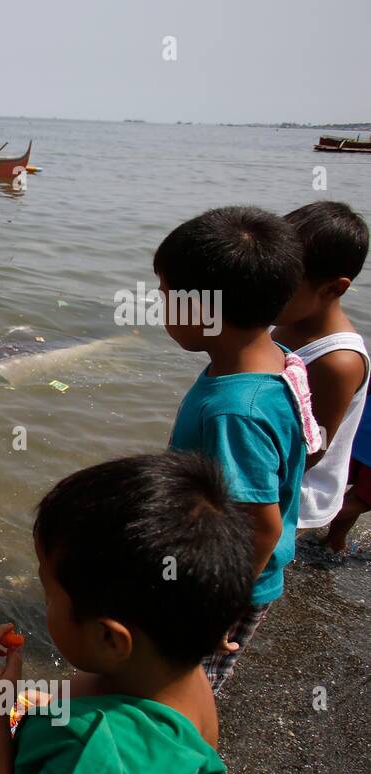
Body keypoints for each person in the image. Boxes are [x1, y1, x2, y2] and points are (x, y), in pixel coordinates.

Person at [0, 452, 253, 774]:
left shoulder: (101, 755)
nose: (45, 606)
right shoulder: (184, 675)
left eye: (49, 596)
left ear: (110, 639)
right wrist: (56, 708)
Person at [157, 206, 318, 694]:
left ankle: (178, 758)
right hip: (221, 563)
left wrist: (216, 610)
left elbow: (259, 524)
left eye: (165, 297)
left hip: (227, 582)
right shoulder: (279, 361)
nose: (160, 309)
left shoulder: (235, 411)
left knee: (185, 685)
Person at [270, 202, 369, 541]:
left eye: (284, 285)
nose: (269, 294)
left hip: (296, 492)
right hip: (273, 471)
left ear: (333, 289)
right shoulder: (290, 321)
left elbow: (313, 448)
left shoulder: (337, 361)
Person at [324, 400, 371, 552]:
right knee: (363, 500)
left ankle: (334, 541)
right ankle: (293, 523)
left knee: (359, 495)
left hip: (359, 429)